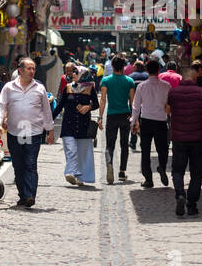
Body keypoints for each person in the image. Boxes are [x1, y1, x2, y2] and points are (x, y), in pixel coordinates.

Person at [0, 56, 55, 208]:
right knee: (18, 165)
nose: (32, 71)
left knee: (30, 163)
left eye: (33, 68)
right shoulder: (9, 87)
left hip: (33, 132)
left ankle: (29, 195)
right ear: (20, 71)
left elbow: (47, 111)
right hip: (15, 132)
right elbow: (1, 106)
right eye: (29, 68)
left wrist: (50, 130)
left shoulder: (39, 88)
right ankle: (23, 195)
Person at [166, 65, 202, 217]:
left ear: (182, 78)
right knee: (196, 173)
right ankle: (192, 204)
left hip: (179, 138)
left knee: (177, 170)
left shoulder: (173, 92)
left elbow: (167, 111)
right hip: (198, 138)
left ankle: (180, 194)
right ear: (195, 78)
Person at [56, 66, 98, 186]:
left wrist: (88, 107)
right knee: (71, 150)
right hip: (68, 125)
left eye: (76, 72)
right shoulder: (68, 87)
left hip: (83, 126)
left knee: (82, 153)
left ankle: (80, 176)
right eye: (73, 72)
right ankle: (70, 172)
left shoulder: (90, 88)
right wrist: (48, 119)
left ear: (82, 74)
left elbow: (96, 104)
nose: (73, 74)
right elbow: (60, 105)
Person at [131, 58, 170, 188]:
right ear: (159, 70)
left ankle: (148, 179)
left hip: (146, 120)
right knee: (163, 149)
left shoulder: (141, 86)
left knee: (145, 150)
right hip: (161, 120)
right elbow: (170, 105)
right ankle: (162, 168)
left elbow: (136, 107)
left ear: (147, 71)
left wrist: (133, 122)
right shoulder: (166, 86)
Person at [98, 55, 136, 184]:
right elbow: (133, 102)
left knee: (110, 145)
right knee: (124, 144)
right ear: (124, 66)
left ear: (112, 66)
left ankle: (109, 163)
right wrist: (135, 119)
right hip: (125, 115)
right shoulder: (129, 81)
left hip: (111, 115)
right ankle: (122, 171)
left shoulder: (106, 81)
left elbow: (103, 100)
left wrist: (100, 117)